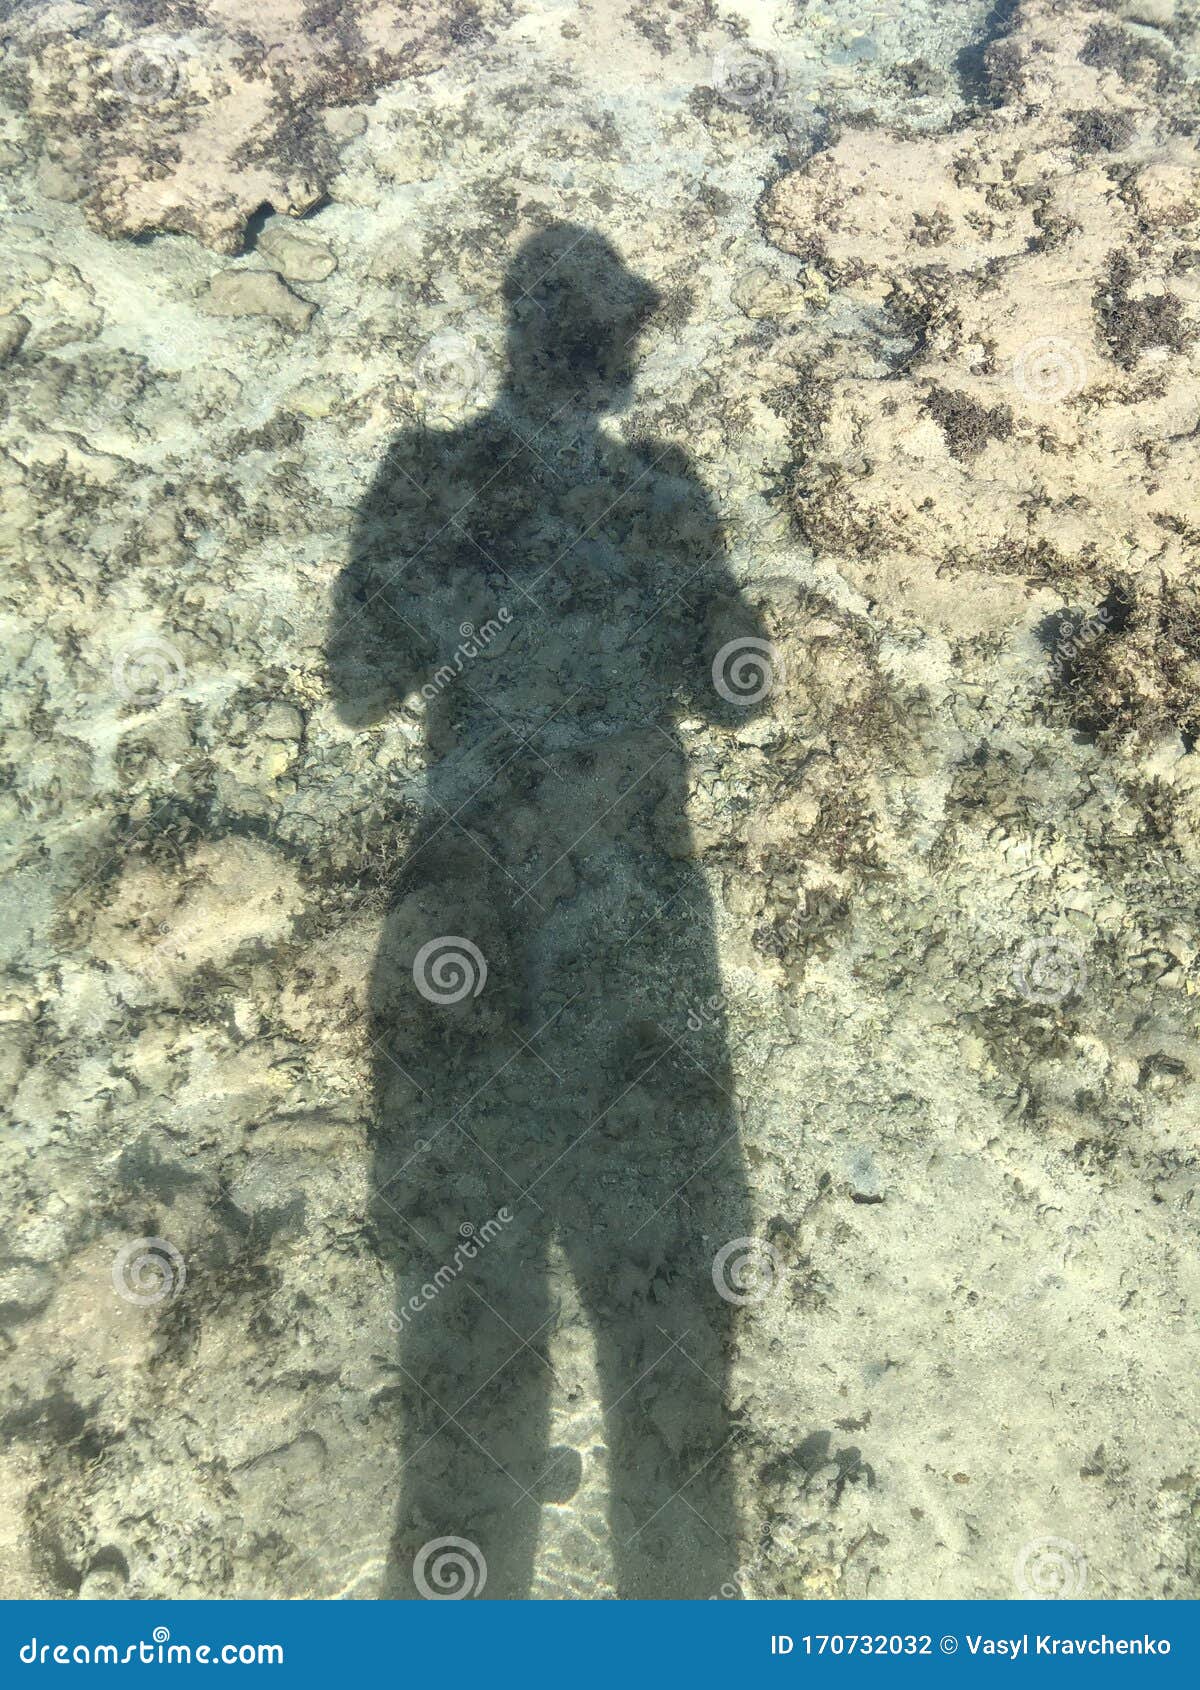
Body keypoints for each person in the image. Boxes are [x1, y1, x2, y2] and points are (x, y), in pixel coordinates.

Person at [327, 224, 767, 1598]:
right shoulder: (661, 491)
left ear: (517, 338)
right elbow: (739, 693)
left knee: (469, 1352)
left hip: (467, 936)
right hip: (635, 941)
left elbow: (357, 683)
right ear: (616, 351)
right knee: (669, 1351)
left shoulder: (428, 473)